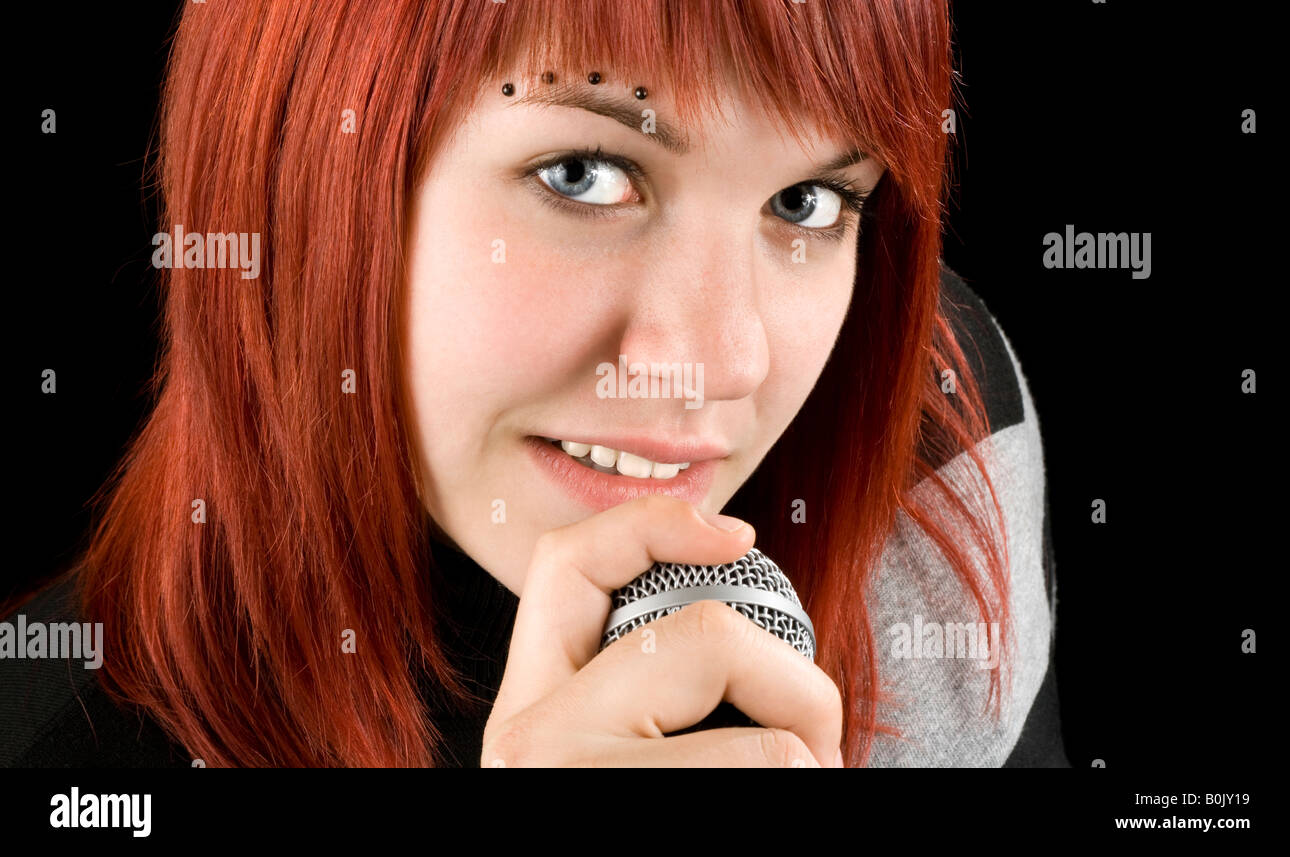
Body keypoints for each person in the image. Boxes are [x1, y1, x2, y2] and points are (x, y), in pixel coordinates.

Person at [0, 0, 1066, 767]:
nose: (728, 361)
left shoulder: (947, 434)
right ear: (291, 169)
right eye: (585, 174)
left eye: (806, 202)